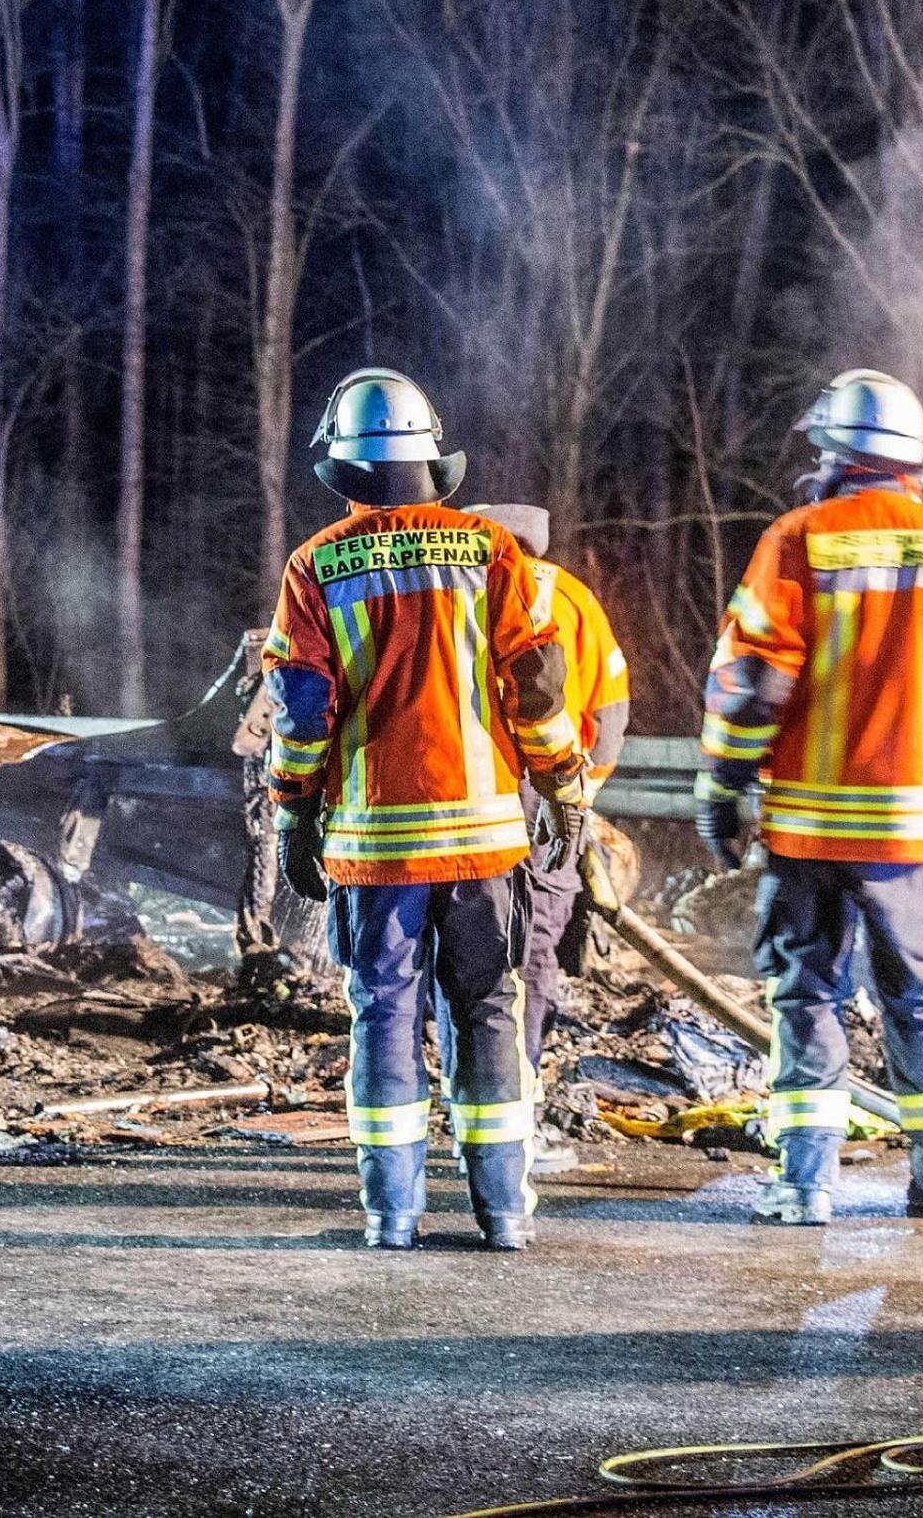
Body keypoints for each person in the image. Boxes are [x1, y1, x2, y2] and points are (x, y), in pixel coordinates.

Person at [262, 369, 589, 1251]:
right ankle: (505, 1216)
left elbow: (301, 714)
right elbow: (537, 683)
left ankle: (393, 1217)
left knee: (384, 1013)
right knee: (487, 1006)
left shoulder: (314, 568)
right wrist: (562, 783)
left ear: (345, 471)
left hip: (375, 850)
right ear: (430, 460)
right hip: (485, 841)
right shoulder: (492, 552)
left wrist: (293, 812)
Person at [694, 369, 923, 1226]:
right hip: (920, 834)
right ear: (915, 464)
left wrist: (723, 785)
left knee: (806, 996)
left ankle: (806, 1185)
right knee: (921, 997)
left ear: (833, 453)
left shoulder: (800, 537)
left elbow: (755, 683)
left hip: (809, 827)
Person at [466, 503, 630, 1066]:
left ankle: (471, 1078)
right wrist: (583, 792)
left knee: (474, 933)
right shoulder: (574, 596)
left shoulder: (461, 589)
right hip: (553, 790)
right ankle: (521, 1086)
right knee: (536, 939)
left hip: (473, 789)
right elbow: (611, 710)